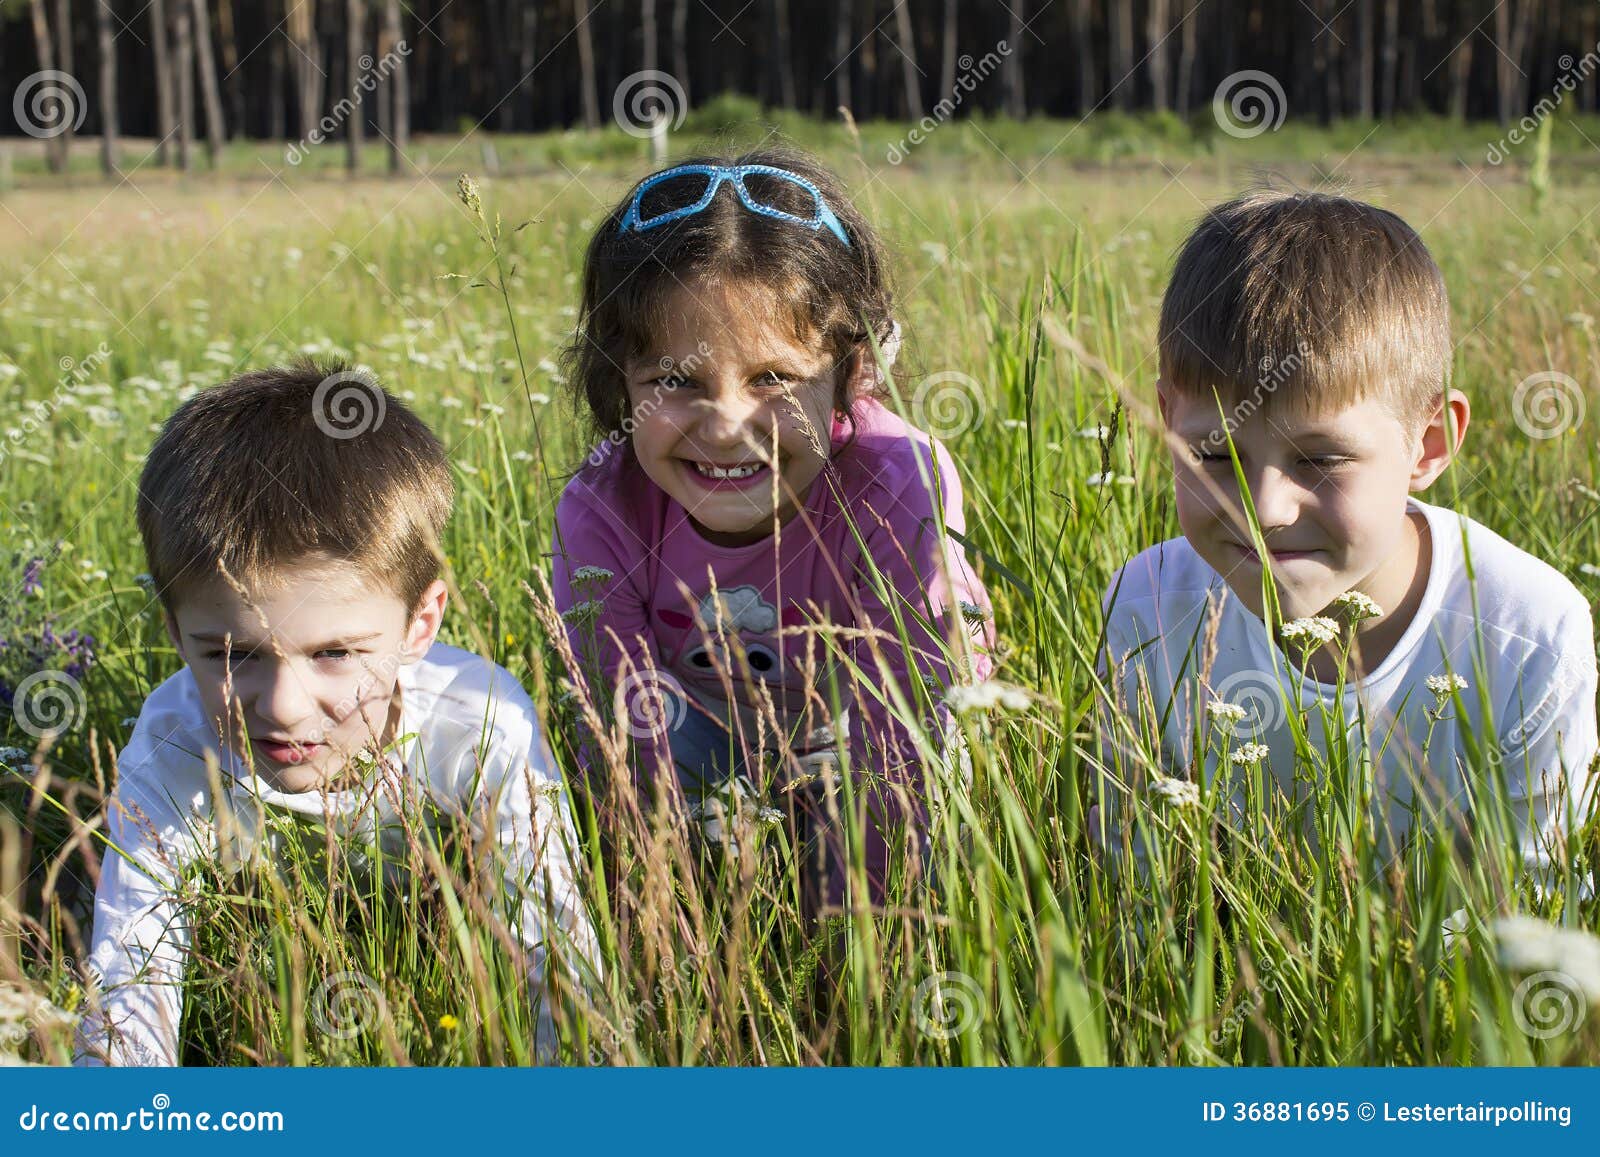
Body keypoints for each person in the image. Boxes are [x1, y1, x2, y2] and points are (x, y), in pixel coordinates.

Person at [73, 361, 599, 1066]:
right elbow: (132, 976)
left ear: (420, 623)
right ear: (173, 631)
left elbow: (560, 965)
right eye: (232, 655)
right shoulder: (172, 742)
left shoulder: (480, 723)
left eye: (335, 653)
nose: (284, 708)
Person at [1097, 190, 1597, 895]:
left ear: (1427, 444)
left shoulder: (1526, 636)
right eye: (1214, 453)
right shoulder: (1148, 608)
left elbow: (1532, 910)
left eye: (1321, 459)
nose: (1264, 509)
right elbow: (1131, 883)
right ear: (1164, 421)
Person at [549, 147, 995, 915]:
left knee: (890, 774)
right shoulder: (602, 504)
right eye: (675, 380)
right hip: (697, 738)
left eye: (774, 379)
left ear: (853, 374)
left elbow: (914, 721)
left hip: (863, 734)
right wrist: (676, 920)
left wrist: (863, 930)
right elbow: (622, 735)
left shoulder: (897, 481)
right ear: (617, 377)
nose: (726, 427)